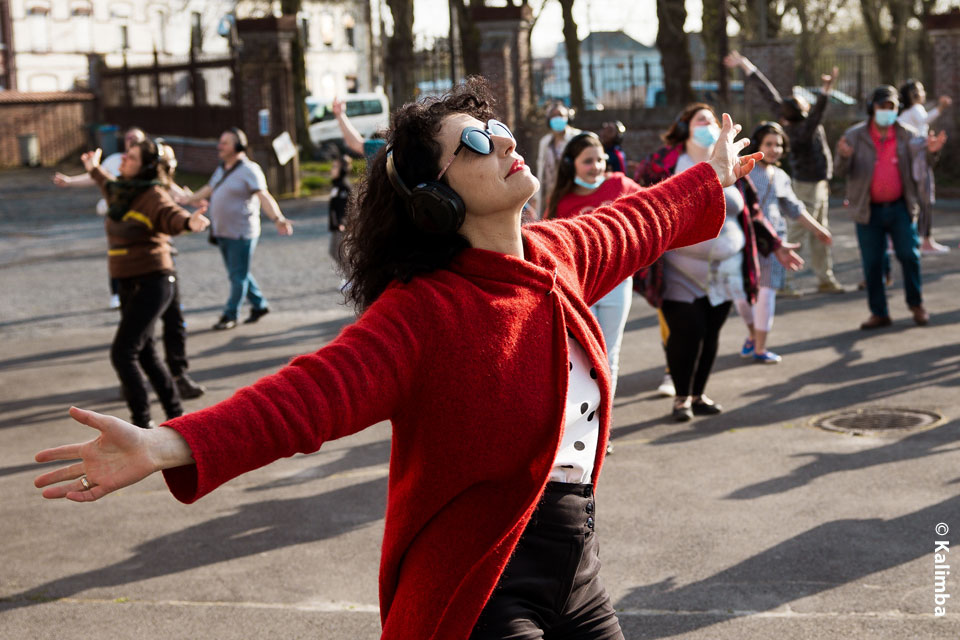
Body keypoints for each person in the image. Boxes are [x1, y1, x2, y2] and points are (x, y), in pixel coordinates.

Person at [34, 78, 761, 638]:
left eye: (499, 129)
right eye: (473, 144)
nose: (505, 144)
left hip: (578, 564)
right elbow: (307, 396)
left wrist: (712, 176)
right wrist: (169, 443)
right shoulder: (423, 313)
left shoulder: (557, 254)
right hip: (483, 580)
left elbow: (640, 219)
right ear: (434, 200)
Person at [635, 104, 802, 420]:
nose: (707, 125)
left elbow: (751, 210)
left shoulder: (729, 161)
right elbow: (641, 203)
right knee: (687, 331)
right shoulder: (662, 163)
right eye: (701, 120)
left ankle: (698, 395)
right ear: (684, 126)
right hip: (679, 270)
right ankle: (680, 398)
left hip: (727, 268)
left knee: (711, 333)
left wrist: (776, 245)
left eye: (711, 121)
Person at [54, 130, 206, 400]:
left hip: (157, 274)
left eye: (132, 153)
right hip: (128, 276)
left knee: (141, 342)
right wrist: (92, 169)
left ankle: (167, 392)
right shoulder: (121, 190)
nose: (125, 155)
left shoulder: (154, 192)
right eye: (127, 147)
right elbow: (105, 183)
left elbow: (170, 214)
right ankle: (161, 402)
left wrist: (188, 222)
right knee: (142, 346)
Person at [725, 51, 844, 295]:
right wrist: (825, 91)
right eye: (802, 105)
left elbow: (769, 94)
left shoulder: (791, 120)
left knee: (819, 231)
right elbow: (817, 113)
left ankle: (824, 278)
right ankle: (783, 281)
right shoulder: (802, 128)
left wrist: (747, 66)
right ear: (800, 113)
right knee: (799, 230)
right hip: (807, 184)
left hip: (819, 183)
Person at [836, 85, 947, 330]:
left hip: (900, 207)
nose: (887, 111)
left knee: (909, 255)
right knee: (872, 262)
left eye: (892, 107)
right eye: (882, 106)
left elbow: (922, 165)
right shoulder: (854, 136)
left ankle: (916, 304)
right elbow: (840, 172)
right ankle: (879, 313)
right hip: (867, 210)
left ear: (898, 109)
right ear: (871, 108)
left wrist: (932, 153)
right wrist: (844, 156)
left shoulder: (907, 134)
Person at [547, 131, 639, 398]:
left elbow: (649, 208)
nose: (596, 167)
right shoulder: (561, 202)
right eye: (588, 161)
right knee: (582, 357)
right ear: (570, 164)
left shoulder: (620, 184)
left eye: (600, 160)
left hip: (618, 283)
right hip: (580, 288)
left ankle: (604, 433)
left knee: (609, 354)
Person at [739, 122, 832, 364]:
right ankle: (752, 335)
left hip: (774, 244)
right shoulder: (743, 171)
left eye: (779, 144)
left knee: (767, 294)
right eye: (768, 144)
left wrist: (818, 229)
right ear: (757, 145)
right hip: (743, 242)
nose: (774, 149)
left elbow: (794, 208)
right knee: (740, 294)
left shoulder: (781, 176)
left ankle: (760, 347)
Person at [182, 128, 293, 330]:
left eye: (224, 143)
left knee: (237, 275)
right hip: (223, 231)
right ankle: (259, 305)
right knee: (239, 273)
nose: (219, 146)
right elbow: (209, 188)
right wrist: (189, 199)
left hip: (242, 233)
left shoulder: (250, 170)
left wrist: (278, 218)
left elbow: (264, 196)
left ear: (238, 146)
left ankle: (230, 315)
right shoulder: (222, 168)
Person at [54, 126, 148, 308]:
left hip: (141, 219)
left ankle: (144, 292)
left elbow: (163, 186)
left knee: (142, 255)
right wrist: (70, 181)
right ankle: (117, 294)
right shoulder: (114, 161)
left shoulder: (148, 164)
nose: (132, 141)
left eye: (136, 138)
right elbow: (95, 176)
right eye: (129, 138)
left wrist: (188, 199)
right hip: (117, 218)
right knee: (118, 255)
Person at [898, 80, 953, 254]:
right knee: (924, 200)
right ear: (913, 94)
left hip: (911, 159)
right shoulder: (915, 110)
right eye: (921, 90)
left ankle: (910, 239)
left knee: (913, 200)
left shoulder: (906, 112)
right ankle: (925, 240)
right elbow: (925, 118)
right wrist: (941, 107)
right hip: (918, 161)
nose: (923, 93)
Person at [531, 100, 581, 217]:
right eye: (553, 116)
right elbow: (541, 171)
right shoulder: (544, 142)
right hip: (550, 196)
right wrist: (537, 196)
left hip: (571, 192)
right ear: (548, 120)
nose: (557, 118)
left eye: (560, 115)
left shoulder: (577, 137)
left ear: (568, 117)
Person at [333, 96, 388, 160]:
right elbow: (357, 144)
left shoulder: (389, 149)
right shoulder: (387, 148)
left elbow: (357, 144)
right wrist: (340, 114)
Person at [328, 153, 353, 281]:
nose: (332, 169)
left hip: (342, 226)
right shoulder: (336, 186)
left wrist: (343, 222)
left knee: (341, 253)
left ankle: (351, 278)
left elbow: (347, 207)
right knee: (334, 251)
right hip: (336, 226)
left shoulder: (344, 187)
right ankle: (349, 277)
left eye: (335, 166)